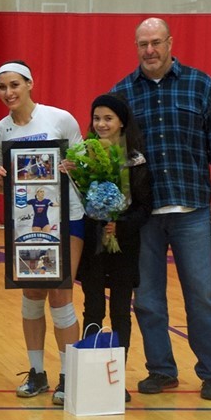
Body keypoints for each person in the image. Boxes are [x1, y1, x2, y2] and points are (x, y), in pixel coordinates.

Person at [110, 18, 211, 401]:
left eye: (156, 42)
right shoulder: (121, 93)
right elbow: (110, 153)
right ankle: (161, 370)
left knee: (202, 295)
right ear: (136, 47)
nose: (150, 50)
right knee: (148, 299)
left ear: (169, 43)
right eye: (143, 44)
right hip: (143, 215)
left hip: (193, 210)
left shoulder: (201, 84)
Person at [0, 60, 83, 406]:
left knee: (60, 295)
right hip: (26, 225)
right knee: (31, 294)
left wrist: (73, 165)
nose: (8, 92)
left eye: (15, 84)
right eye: (2, 87)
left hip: (68, 217)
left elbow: (82, 164)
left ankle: (68, 376)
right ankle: (37, 372)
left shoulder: (60, 119)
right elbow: (3, 188)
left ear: (30, 83)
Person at [73, 93, 151, 403]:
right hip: (93, 245)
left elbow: (144, 207)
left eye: (108, 118)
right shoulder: (85, 156)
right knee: (92, 306)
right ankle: (91, 377)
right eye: (97, 118)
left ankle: (115, 379)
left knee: (120, 310)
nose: (101, 124)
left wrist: (120, 225)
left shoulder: (136, 159)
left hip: (124, 246)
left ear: (121, 122)